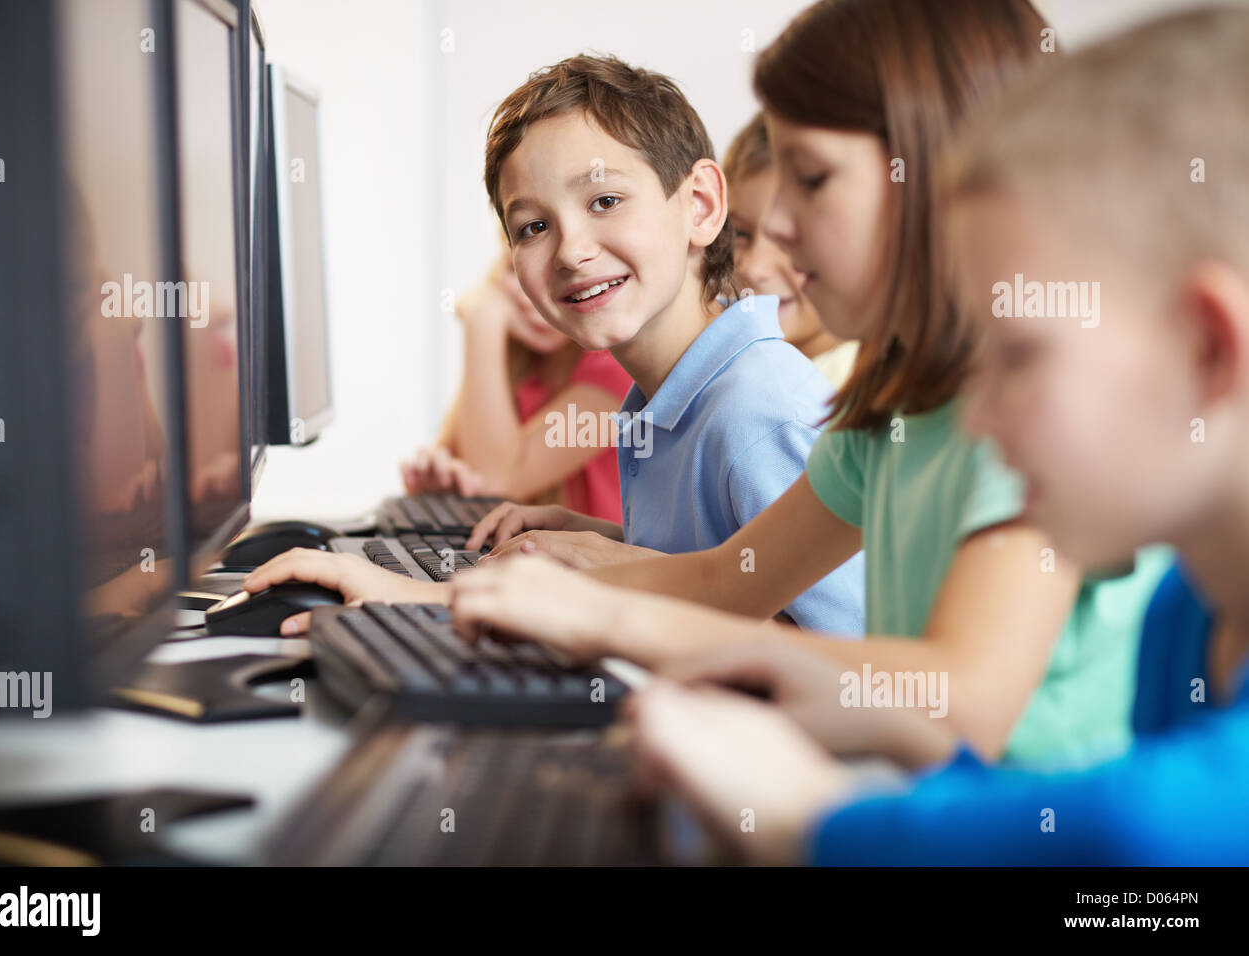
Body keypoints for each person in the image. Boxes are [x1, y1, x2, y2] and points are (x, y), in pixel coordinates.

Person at [445, 0, 1171, 769]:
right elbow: (729, 578)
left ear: (945, 169)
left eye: (813, 179)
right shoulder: (885, 404)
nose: (776, 230)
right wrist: (566, 593)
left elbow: (963, 703)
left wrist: (603, 618)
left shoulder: (1034, 408)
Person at [631, 4, 1249, 864]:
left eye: (1022, 354)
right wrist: (838, 707)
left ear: (1210, 348)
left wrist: (812, 818)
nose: (980, 416)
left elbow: (1143, 831)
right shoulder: (1189, 615)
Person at [245, 53, 867, 636]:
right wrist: (602, 540)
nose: (572, 249)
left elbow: (847, 657)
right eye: (534, 227)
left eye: (606, 200)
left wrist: (591, 567)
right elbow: (728, 571)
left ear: (700, 206)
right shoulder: (674, 393)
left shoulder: (759, 410)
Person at [399, 239, 631, 524]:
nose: (533, 295)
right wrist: (442, 485)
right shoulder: (518, 360)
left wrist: (483, 320)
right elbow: (464, 470)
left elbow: (496, 481)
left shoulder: (617, 364)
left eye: (556, 271)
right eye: (515, 270)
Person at [723, 112, 858, 388]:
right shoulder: (729, 370)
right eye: (740, 234)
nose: (753, 268)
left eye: (785, 238)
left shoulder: (854, 391)